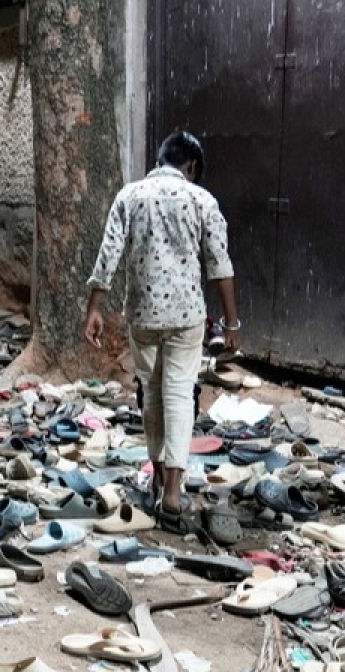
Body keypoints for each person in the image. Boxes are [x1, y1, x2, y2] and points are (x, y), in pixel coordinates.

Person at [84, 131, 239, 522]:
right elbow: (219, 264)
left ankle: (155, 478)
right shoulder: (202, 200)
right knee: (179, 393)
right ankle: (172, 491)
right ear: (190, 167)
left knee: (151, 393)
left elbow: (108, 254)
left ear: (159, 160)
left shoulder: (129, 196)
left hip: (143, 314)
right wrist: (231, 321)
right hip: (186, 317)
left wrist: (95, 308)